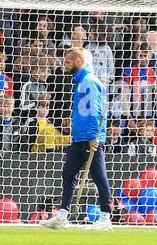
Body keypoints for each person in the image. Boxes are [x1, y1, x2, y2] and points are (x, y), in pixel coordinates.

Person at [40, 46, 113, 230]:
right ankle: (63, 216)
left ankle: (105, 217)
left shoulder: (89, 81)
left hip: (90, 137)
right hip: (79, 137)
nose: (65, 65)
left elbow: (96, 111)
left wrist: (95, 136)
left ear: (79, 62)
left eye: (68, 62)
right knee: (68, 174)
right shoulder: (81, 81)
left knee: (98, 176)